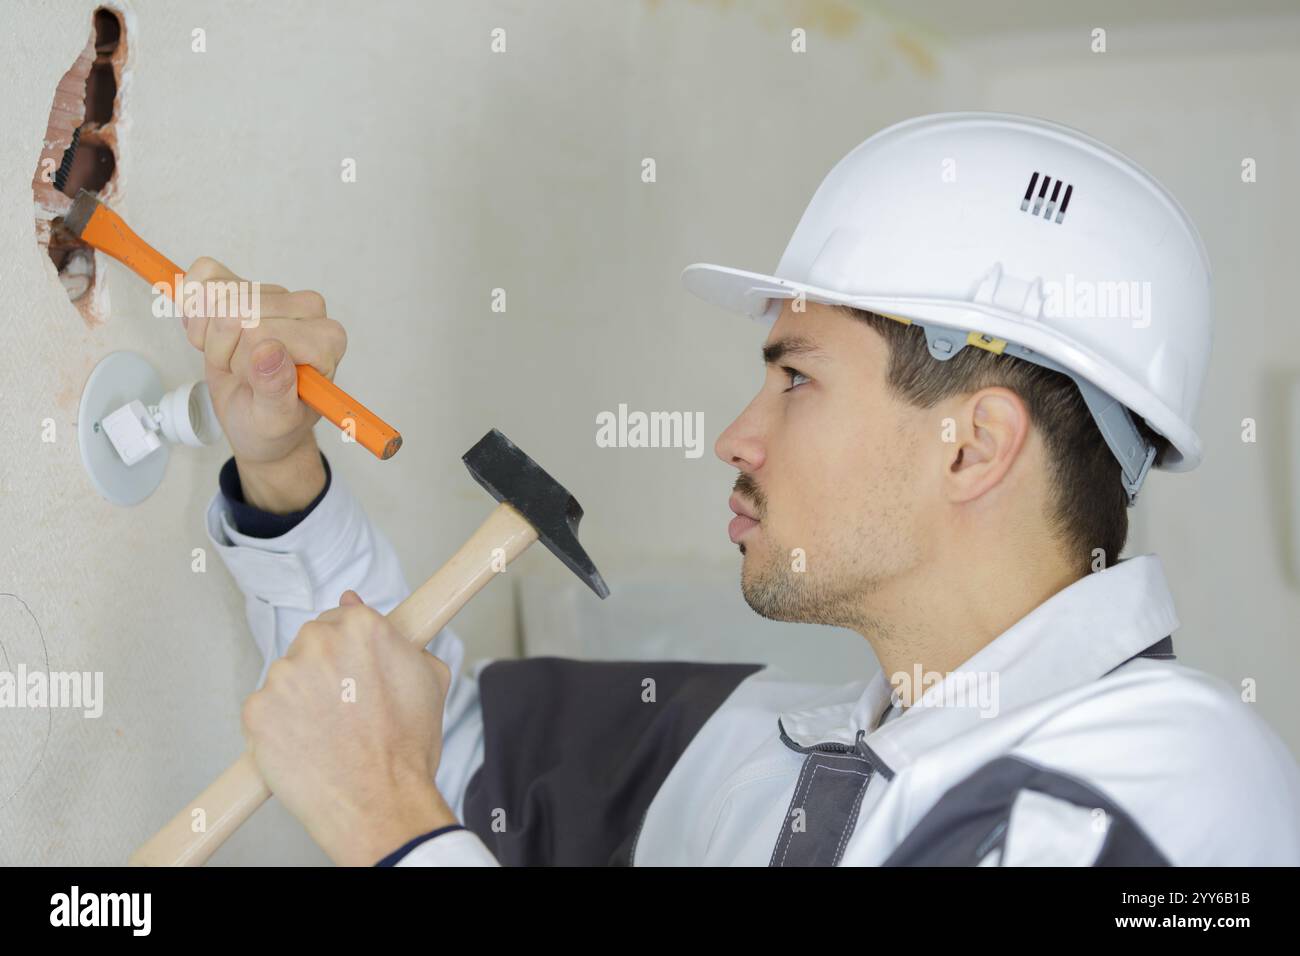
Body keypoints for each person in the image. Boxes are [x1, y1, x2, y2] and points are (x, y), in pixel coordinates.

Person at [192, 112, 1300, 866]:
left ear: (973, 446)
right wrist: (282, 466)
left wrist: (392, 828)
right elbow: (419, 747)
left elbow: (396, 798)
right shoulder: (761, 749)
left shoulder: (1166, 793)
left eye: (795, 377)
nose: (735, 436)